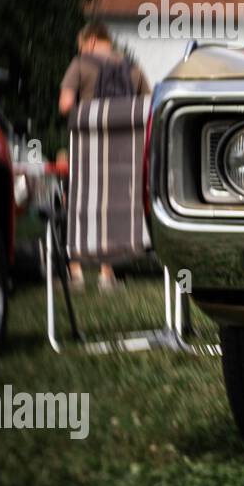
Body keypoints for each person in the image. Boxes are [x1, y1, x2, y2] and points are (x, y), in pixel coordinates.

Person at [58, 21, 151, 291]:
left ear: (89, 40)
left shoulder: (80, 64)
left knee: (79, 202)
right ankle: (106, 274)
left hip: (88, 150)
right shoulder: (132, 67)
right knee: (112, 206)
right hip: (124, 154)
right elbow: (149, 105)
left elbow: (65, 105)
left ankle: (75, 272)